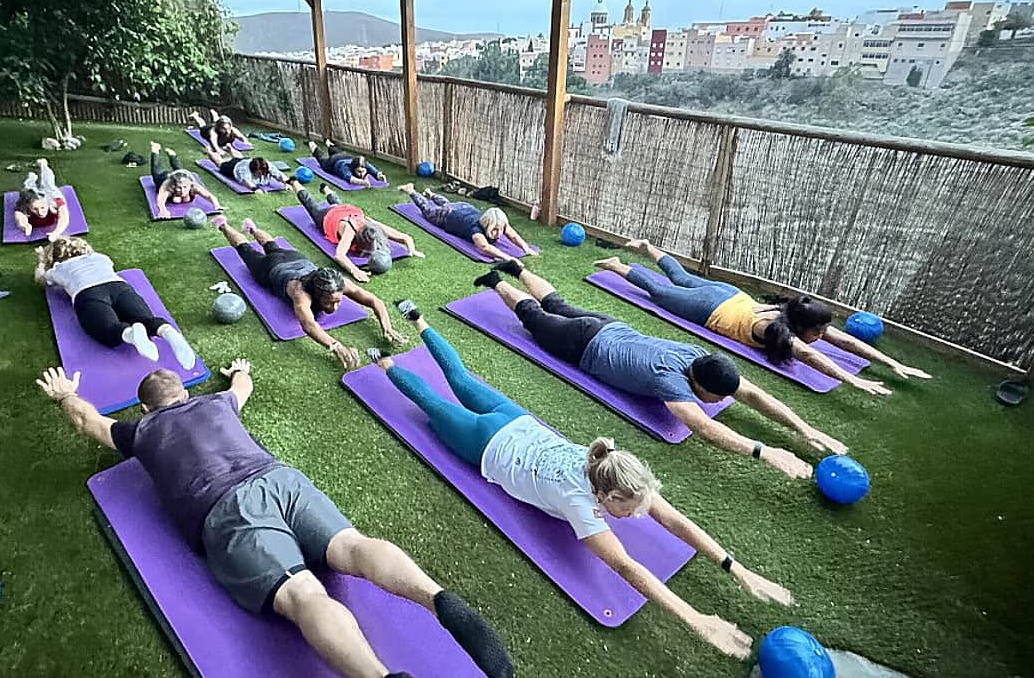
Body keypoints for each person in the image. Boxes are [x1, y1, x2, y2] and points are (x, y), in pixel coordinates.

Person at [367, 303, 794, 661]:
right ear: (607, 496)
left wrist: (736, 568)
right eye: (631, 508)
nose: (639, 514)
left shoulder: (610, 463)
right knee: (431, 401)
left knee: (461, 379)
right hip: (485, 444)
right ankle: (383, 362)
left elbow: (674, 520)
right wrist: (696, 620)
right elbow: (627, 567)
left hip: (516, 421)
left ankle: (417, 318)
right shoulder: (581, 504)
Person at [36, 361, 513, 678]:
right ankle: (437, 598)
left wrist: (65, 396)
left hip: (225, 508)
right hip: (279, 479)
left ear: (146, 407)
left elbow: (89, 422)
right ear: (183, 392)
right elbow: (242, 385)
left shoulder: (140, 429)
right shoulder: (218, 401)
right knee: (352, 545)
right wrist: (239, 371)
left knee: (306, 595)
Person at [473, 260, 849, 479]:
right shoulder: (670, 383)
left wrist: (806, 430)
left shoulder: (700, 356)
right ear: (700, 386)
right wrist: (765, 452)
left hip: (608, 326)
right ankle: (497, 281)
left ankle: (519, 268)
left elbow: (754, 394)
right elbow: (706, 428)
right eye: (717, 397)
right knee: (534, 316)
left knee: (558, 302)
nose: (720, 400)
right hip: (582, 344)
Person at [597, 239, 932, 392]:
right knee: (660, 293)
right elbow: (813, 358)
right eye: (819, 331)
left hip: (730, 295)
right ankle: (618, 265)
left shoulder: (796, 317)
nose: (823, 335)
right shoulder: (779, 331)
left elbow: (845, 341)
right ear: (803, 327)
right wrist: (853, 380)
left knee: (682, 278)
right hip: (711, 309)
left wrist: (892, 363)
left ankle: (649, 247)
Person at [212, 215, 407, 369]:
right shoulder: (300, 293)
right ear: (316, 293)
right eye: (329, 302)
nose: (334, 307)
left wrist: (387, 327)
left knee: (272, 245)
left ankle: (253, 229)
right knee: (245, 248)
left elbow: (374, 301)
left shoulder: (339, 283)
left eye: (338, 301)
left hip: (295, 258)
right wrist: (336, 346)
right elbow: (309, 324)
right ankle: (223, 225)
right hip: (271, 268)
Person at [34, 237, 197, 369]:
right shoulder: (101, 258)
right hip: (120, 287)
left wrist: (41, 261)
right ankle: (168, 332)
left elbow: (40, 279)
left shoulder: (59, 268)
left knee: (106, 328)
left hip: (88, 292)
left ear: (56, 258)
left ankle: (129, 334)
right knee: (146, 319)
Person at [289, 177, 423, 281]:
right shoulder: (350, 230)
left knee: (337, 203)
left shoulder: (373, 226)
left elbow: (405, 237)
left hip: (347, 210)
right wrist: (355, 271)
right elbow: (339, 255)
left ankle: (327, 190)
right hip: (329, 217)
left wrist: (412, 250)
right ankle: (294, 182)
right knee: (311, 205)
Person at [397, 183, 538, 261]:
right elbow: (484, 247)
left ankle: (431, 194)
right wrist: (507, 257)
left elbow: (513, 236)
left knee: (447, 203)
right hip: (448, 216)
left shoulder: (500, 223)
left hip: (464, 207)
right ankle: (411, 190)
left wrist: (526, 249)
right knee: (428, 210)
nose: (498, 233)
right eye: (494, 230)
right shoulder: (476, 230)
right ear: (486, 224)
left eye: (499, 229)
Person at [151, 142, 221, 219]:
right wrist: (163, 210)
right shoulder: (168, 186)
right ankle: (155, 150)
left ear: (190, 186)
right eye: (179, 188)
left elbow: (208, 195)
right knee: (156, 170)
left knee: (180, 171)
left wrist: (216, 205)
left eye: (185, 187)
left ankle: (172, 155)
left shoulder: (193, 187)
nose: (182, 190)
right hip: (164, 178)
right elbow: (160, 199)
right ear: (174, 186)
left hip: (182, 176)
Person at [201, 139, 288, 193]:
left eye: (262, 173)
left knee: (240, 158)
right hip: (233, 167)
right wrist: (256, 189)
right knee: (219, 163)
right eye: (259, 173)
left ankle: (230, 149)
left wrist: (287, 183)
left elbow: (279, 175)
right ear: (252, 170)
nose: (261, 175)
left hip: (245, 160)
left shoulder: (267, 166)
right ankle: (209, 151)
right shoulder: (244, 171)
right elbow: (247, 183)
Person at [13, 158, 70, 239]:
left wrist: (57, 232)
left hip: (50, 191)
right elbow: (19, 216)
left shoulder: (56, 201)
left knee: (48, 181)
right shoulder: (24, 203)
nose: (40, 212)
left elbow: (64, 217)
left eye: (42, 207)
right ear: (29, 206)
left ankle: (43, 164)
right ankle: (32, 176)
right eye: (35, 209)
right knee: (28, 184)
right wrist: (25, 226)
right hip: (30, 192)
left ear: (47, 203)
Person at [310, 140, 385, 188]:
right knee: (322, 161)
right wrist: (363, 182)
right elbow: (350, 179)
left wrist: (379, 175)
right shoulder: (345, 167)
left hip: (345, 156)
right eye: (359, 172)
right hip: (333, 162)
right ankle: (314, 147)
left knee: (337, 151)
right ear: (353, 168)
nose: (361, 174)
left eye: (363, 171)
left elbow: (372, 169)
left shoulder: (363, 164)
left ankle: (329, 144)